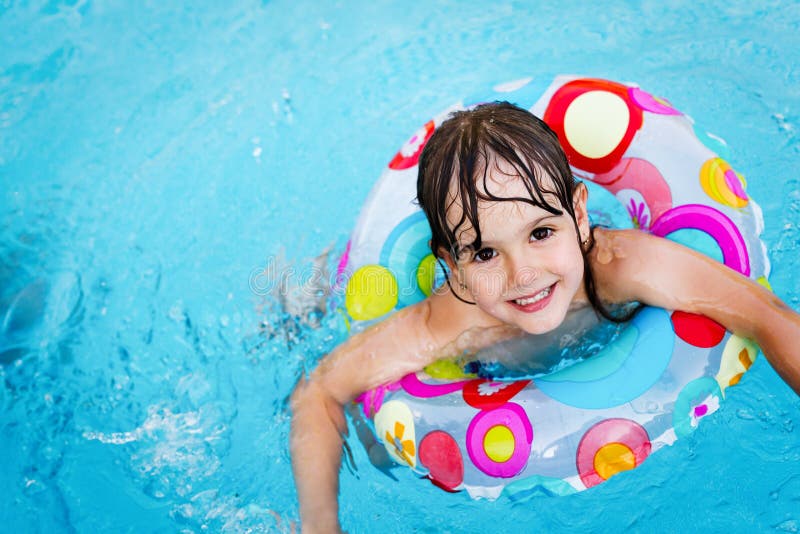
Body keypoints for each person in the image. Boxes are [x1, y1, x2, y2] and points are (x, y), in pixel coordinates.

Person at [289, 102, 800, 533]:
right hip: (459, 362)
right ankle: (301, 291)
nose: (523, 275)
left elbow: (765, 314)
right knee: (311, 343)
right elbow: (319, 392)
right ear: (450, 265)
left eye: (540, 233)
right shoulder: (453, 322)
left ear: (579, 214)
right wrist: (320, 525)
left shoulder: (621, 266)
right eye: (485, 253)